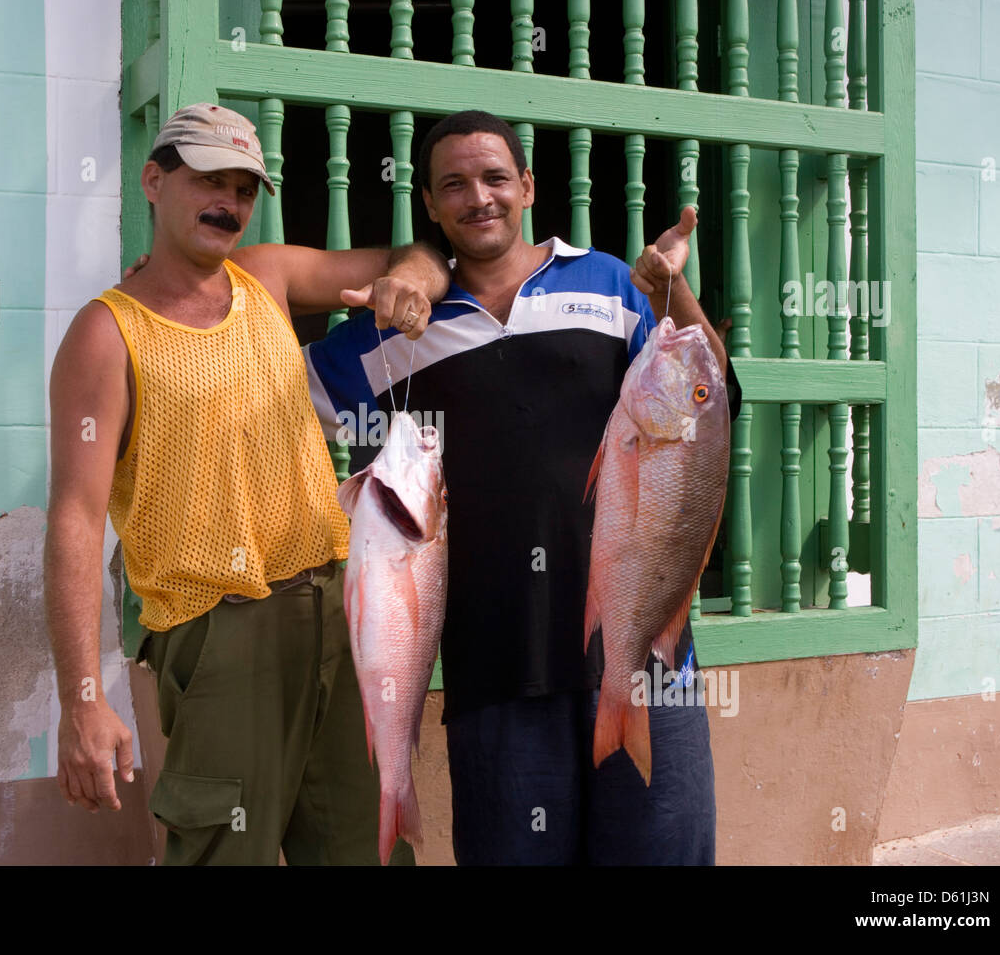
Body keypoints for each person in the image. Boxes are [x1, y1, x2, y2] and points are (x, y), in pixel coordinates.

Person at [304, 110, 743, 864]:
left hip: (646, 654)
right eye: (455, 185)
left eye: (496, 178)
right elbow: (275, 394)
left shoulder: (608, 284)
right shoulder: (391, 329)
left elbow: (713, 399)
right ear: (430, 202)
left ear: (529, 186)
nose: (479, 197)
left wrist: (674, 295)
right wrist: (394, 274)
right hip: (497, 670)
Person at [44, 102, 449, 865]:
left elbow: (424, 250)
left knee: (367, 849)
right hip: (219, 633)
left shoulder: (267, 275)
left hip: (338, 607)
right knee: (226, 854)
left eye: (243, 187)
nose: (228, 202)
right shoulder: (107, 332)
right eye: (208, 180)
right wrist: (82, 699)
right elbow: (73, 519)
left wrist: (410, 286)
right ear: (154, 180)